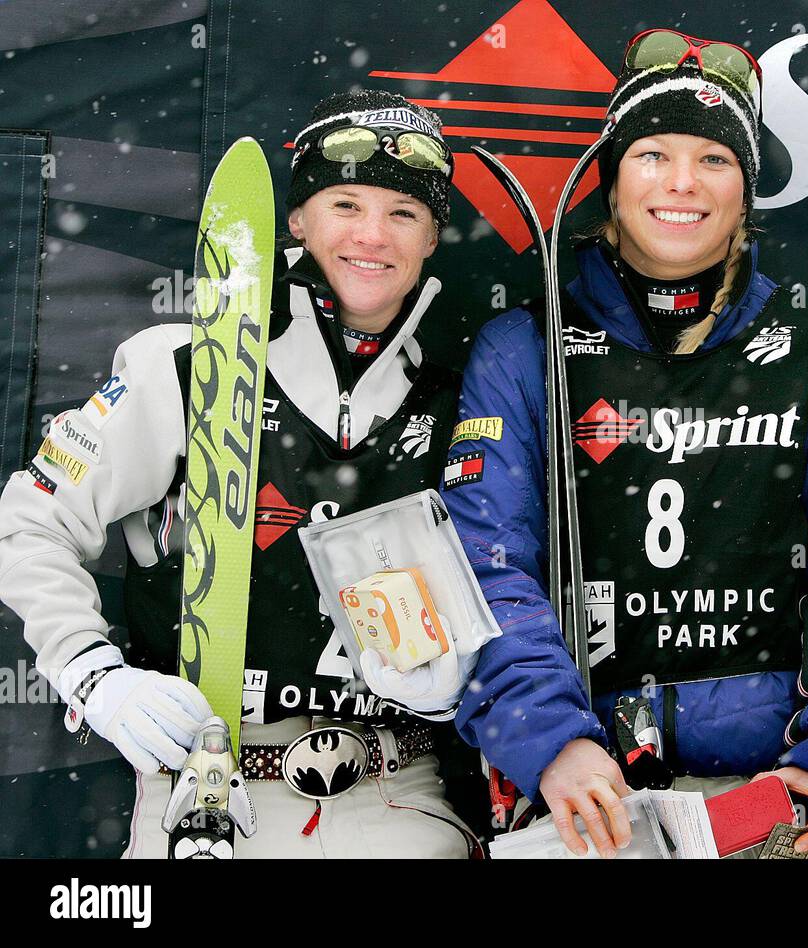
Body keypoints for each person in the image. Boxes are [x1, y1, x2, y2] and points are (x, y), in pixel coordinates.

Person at [443, 28, 808, 858]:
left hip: (774, 789)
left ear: (746, 193)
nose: (682, 183)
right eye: (652, 154)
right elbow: (485, 567)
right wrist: (550, 740)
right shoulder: (525, 346)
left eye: (714, 160)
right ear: (611, 182)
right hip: (590, 784)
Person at [0, 90, 479, 858]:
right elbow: (28, 521)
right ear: (297, 220)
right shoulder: (186, 365)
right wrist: (96, 677)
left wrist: (461, 670)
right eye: (345, 204)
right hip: (210, 794)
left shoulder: (459, 398)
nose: (371, 235)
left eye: (403, 213)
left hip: (401, 792)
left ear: (431, 235)